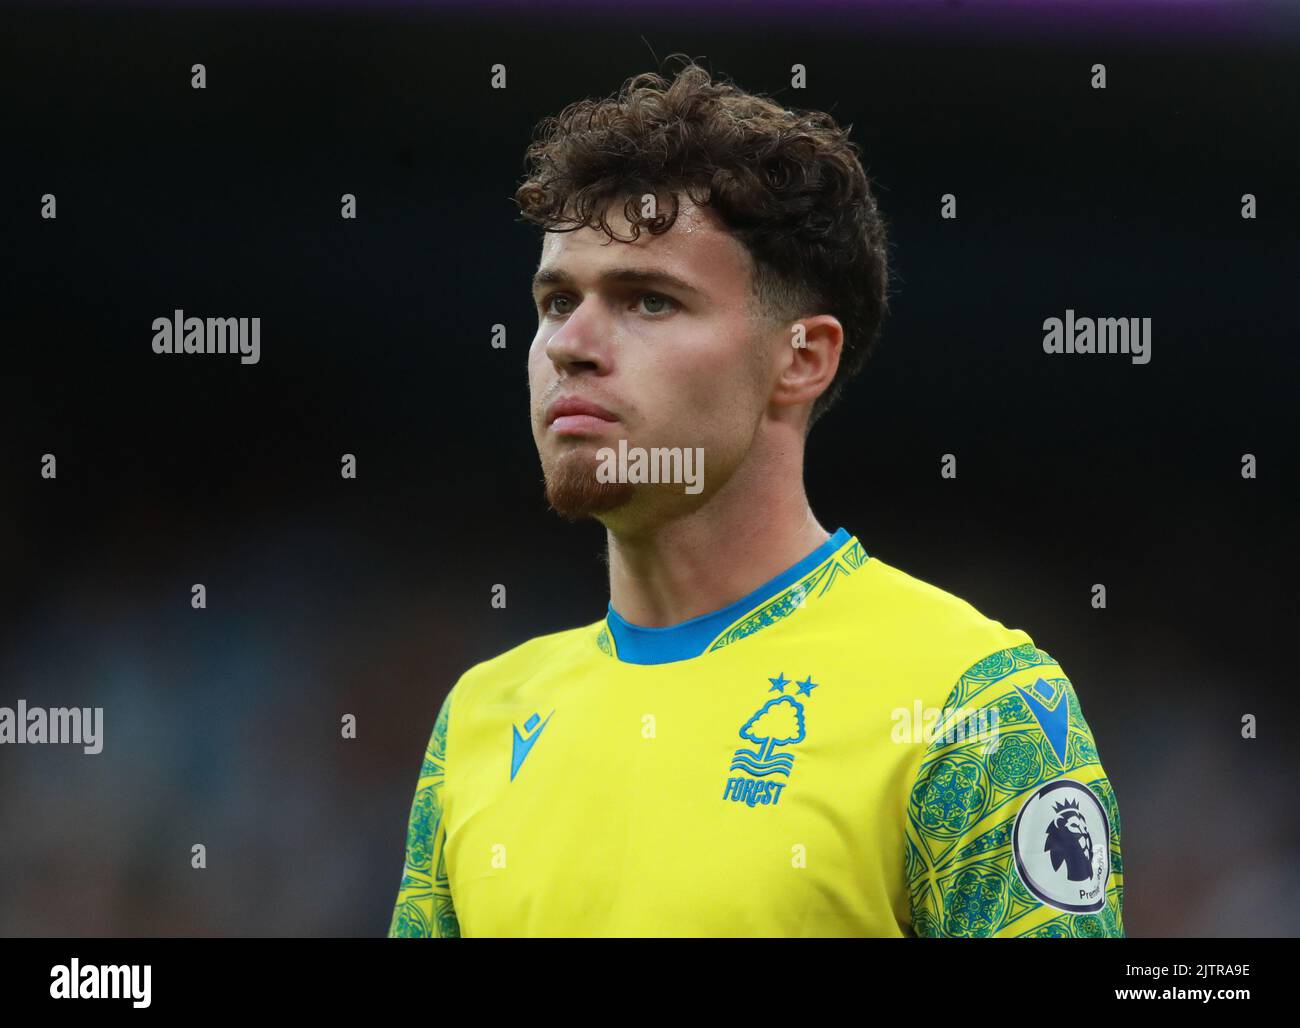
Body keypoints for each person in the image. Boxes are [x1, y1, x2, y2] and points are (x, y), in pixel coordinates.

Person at [388, 59, 1123, 938]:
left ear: (800, 358)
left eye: (649, 301)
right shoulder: (480, 718)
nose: (570, 345)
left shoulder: (976, 706)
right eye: (555, 302)